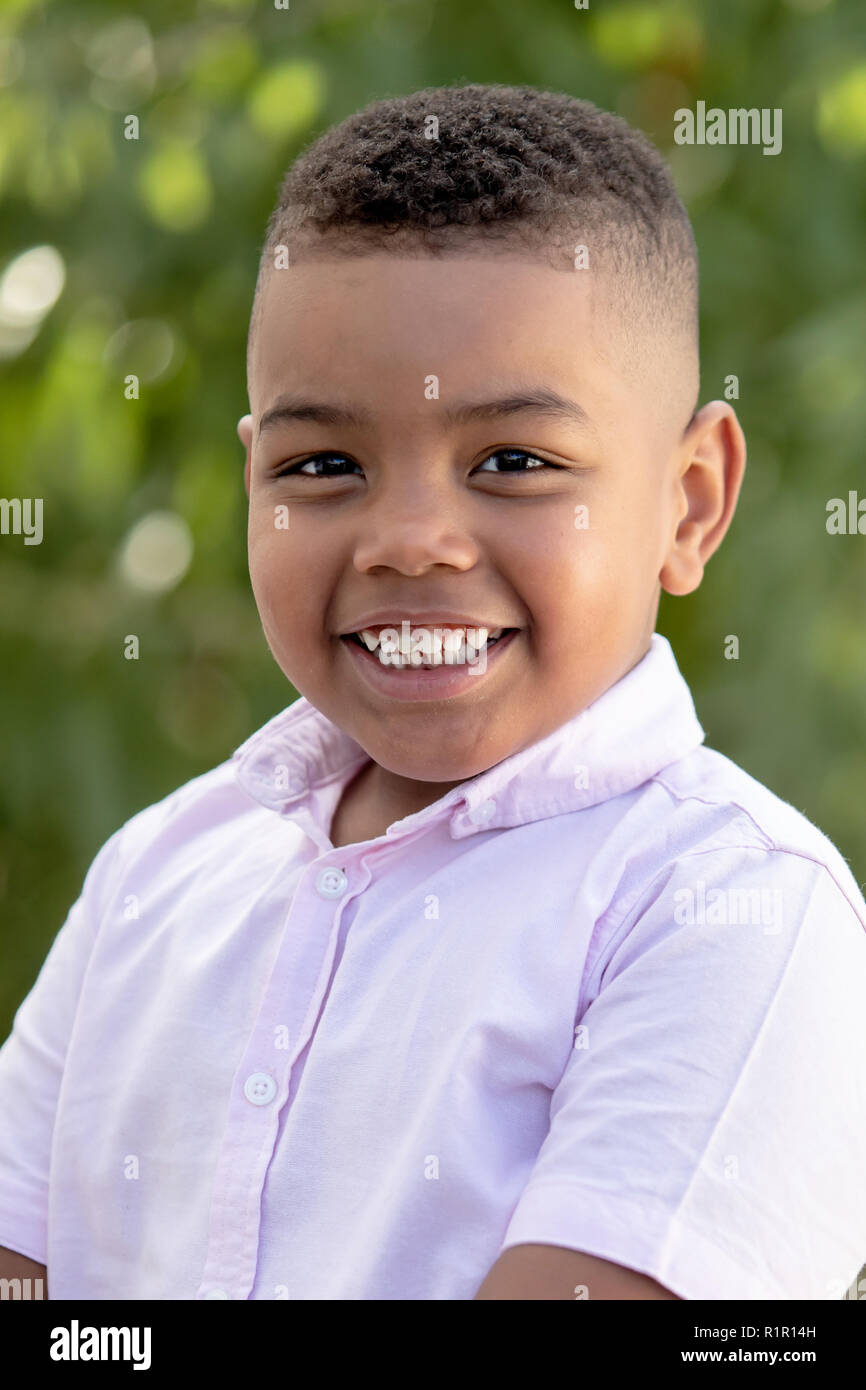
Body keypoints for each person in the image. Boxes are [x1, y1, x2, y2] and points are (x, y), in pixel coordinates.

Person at [1, 83, 865, 1301]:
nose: (410, 539)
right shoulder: (158, 873)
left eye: (512, 462)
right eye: (325, 464)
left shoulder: (729, 912)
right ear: (254, 482)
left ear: (688, 501)